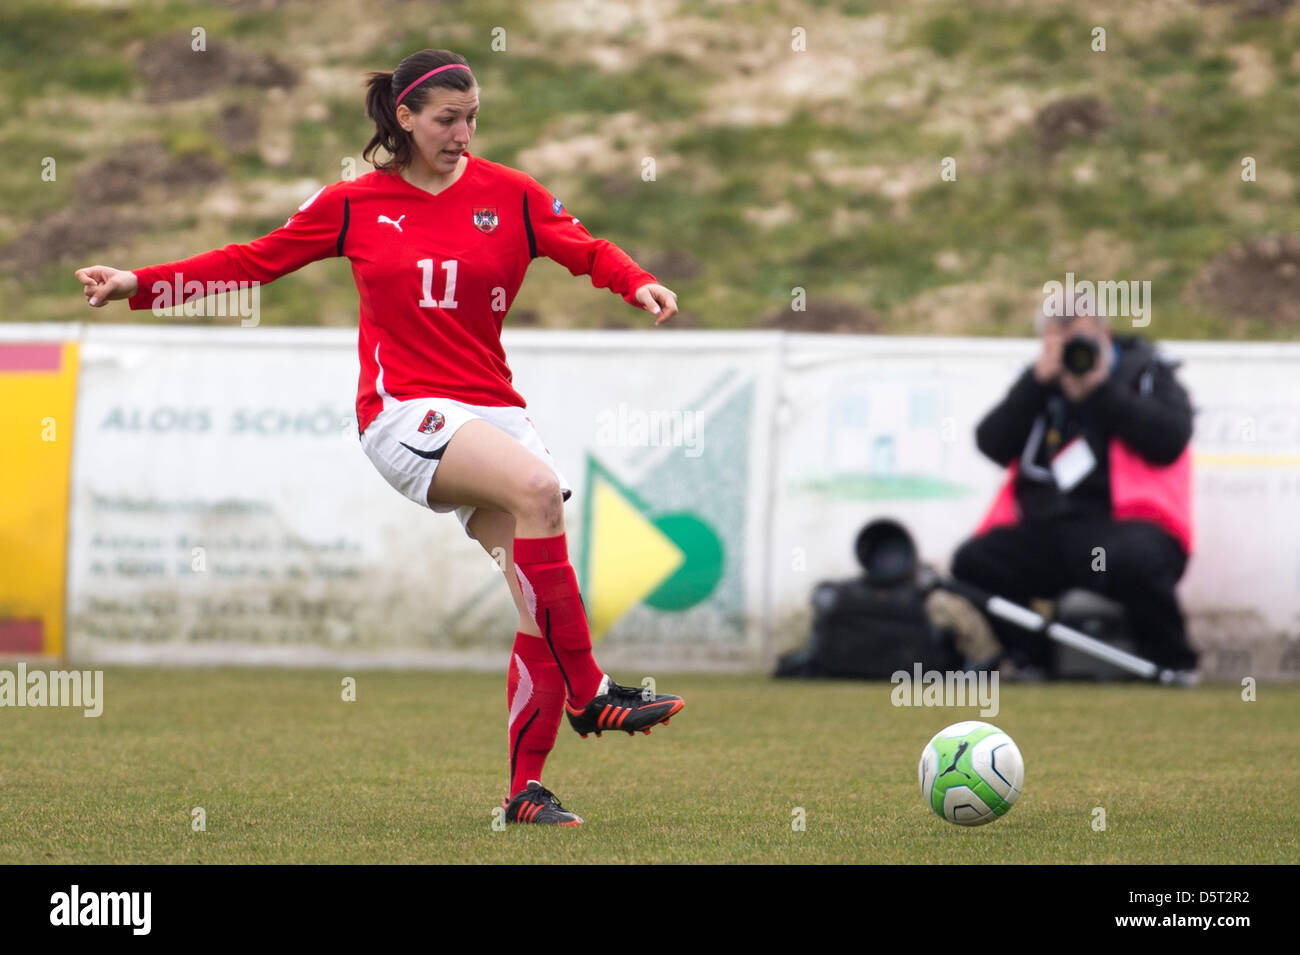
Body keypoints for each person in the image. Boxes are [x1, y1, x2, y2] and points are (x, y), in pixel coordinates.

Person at [74, 48, 685, 826]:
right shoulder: (355, 203)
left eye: (472, 119)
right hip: (403, 413)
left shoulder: (514, 195)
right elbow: (251, 263)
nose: (463, 133)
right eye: (446, 120)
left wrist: (636, 279)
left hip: (493, 411)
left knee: (536, 593)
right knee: (536, 489)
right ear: (404, 117)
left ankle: (523, 794)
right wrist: (141, 283)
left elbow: (586, 249)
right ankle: (592, 693)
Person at [950, 295, 1199, 683]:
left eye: (1080, 340)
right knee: (974, 561)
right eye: (1058, 342)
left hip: (1121, 527)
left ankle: (1173, 662)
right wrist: (1036, 384)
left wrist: (1101, 391)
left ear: (1105, 333)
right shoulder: (1038, 384)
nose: (1073, 352)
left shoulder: (1145, 372)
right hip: (1050, 531)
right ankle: (1033, 659)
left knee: (1138, 559)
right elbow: (991, 443)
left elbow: (1169, 440)